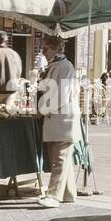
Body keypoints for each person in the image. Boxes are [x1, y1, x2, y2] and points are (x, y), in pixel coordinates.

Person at [36, 34, 79, 209]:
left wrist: (44, 109)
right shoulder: (54, 66)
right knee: (60, 157)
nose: (43, 52)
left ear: (55, 49)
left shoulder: (65, 66)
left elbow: (63, 94)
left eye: (45, 49)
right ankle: (68, 193)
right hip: (56, 119)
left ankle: (53, 195)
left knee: (60, 158)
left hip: (63, 119)